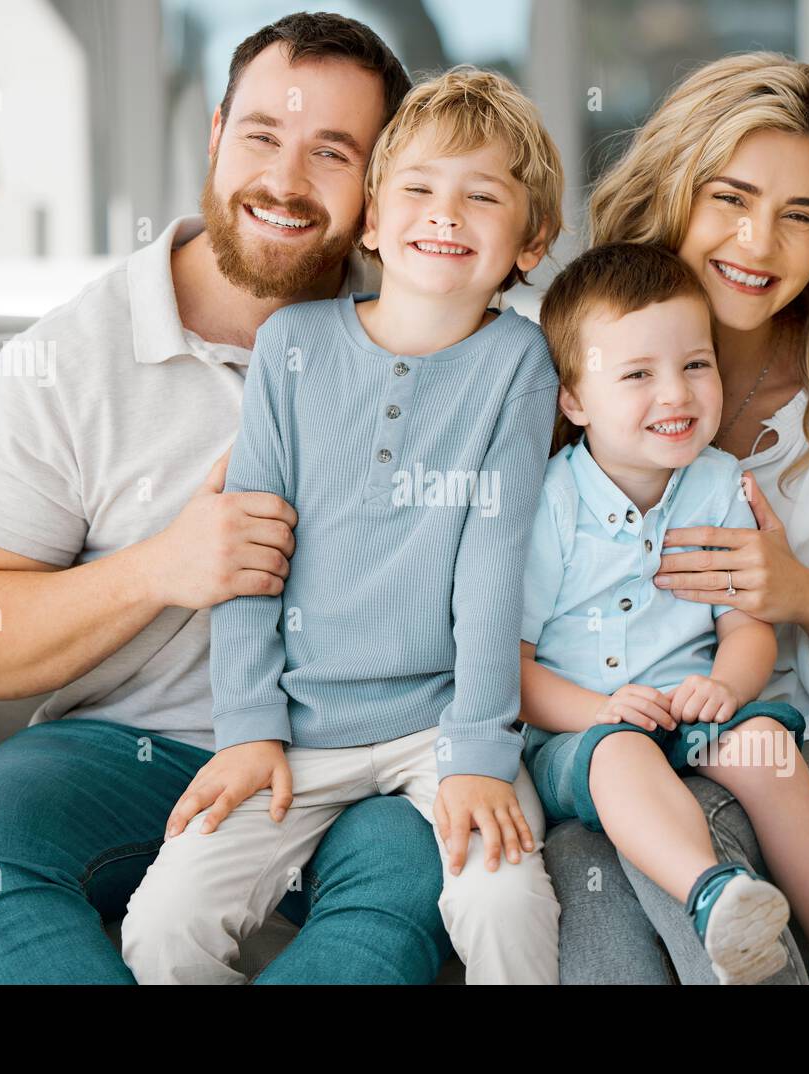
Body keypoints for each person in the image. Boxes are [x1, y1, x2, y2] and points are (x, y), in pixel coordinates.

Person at [0, 12, 459, 985]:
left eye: (332, 153)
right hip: (128, 752)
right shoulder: (72, 356)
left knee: (414, 882)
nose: (285, 183)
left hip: (359, 761)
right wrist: (157, 570)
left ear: (379, 187)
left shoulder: (437, 328)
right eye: (260, 137)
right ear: (213, 134)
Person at [120, 65, 565, 986]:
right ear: (371, 219)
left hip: (439, 730)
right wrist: (248, 728)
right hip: (296, 730)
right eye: (418, 190)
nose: (446, 215)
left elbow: (492, 566)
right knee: (162, 926)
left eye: (483, 197)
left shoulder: (520, 362)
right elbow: (253, 545)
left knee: (506, 904)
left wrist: (481, 750)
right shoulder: (295, 343)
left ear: (532, 241)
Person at [543, 52, 809, 985]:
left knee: (695, 827)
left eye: (800, 217)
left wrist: (808, 597)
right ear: (673, 193)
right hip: (644, 744)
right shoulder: (579, 382)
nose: (759, 241)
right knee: (584, 850)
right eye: (730, 198)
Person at [522, 240, 809, 985]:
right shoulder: (550, 504)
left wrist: (727, 687)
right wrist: (600, 709)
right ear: (575, 399)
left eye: (695, 364)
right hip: (581, 736)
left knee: (765, 751)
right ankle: (710, 891)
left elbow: (747, 624)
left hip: (694, 714)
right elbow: (511, 668)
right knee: (621, 749)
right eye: (638, 375)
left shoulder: (721, 484)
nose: (677, 395)